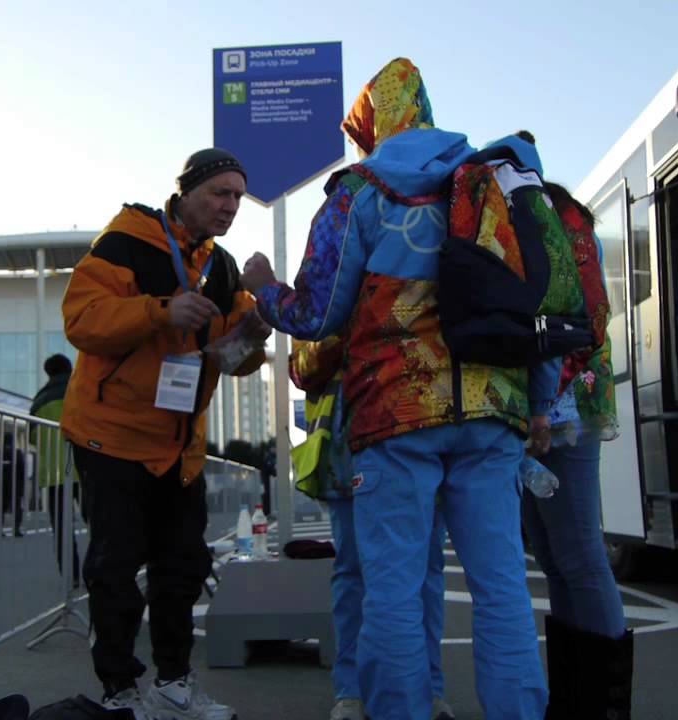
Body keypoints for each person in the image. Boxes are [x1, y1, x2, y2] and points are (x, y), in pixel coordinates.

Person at [242, 57, 549, 720]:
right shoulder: (486, 178)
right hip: (495, 411)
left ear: (373, 121)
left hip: (398, 414)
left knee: (391, 588)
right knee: (502, 589)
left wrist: (262, 285)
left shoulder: (360, 190)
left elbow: (316, 316)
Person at [60, 147, 267, 719]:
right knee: (115, 568)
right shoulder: (127, 238)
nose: (230, 206)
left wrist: (255, 325)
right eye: (219, 193)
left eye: (238, 197)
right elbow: (81, 319)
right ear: (187, 190)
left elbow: (229, 359)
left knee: (182, 569)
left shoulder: (222, 268)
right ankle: (119, 692)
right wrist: (159, 311)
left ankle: (175, 684)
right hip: (111, 437)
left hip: (179, 448)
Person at [290, 336, 453, 720]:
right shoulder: (327, 285)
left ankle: (428, 687)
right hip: (351, 442)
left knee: (426, 569)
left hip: (423, 426)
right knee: (354, 570)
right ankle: (352, 690)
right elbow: (300, 368)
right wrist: (343, 334)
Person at [523, 175, 633, 719]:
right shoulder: (539, 216)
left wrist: (544, 395)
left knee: (580, 556)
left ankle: (604, 705)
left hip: (569, 406)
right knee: (555, 558)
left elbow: (585, 321)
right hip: (543, 407)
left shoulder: (559, 221)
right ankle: (574, 699)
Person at [29, 353, 80, 585]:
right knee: (101, 523)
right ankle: (103, 572)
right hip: (86, 468)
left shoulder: (39, 401)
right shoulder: (81, 389)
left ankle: (71, 576)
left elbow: (32, 437)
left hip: (54, 474)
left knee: (61, 528)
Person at [0, 432, 27, 537]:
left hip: (2, 485)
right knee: (17, 508)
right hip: (16, 486)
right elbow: (23, 470)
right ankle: (16, 530)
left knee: (0, 507)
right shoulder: (17, 454)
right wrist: (22, 485)